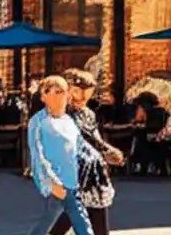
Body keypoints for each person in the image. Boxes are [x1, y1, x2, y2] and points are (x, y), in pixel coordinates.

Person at [48, 69, 121, 235]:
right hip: (74, 169)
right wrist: (107, 150)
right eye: (78, 93)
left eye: (87, 94)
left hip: (93, 169)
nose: (82, 98)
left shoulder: (88, 113)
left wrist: (106, 152)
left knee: (84, 211)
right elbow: (83, 136)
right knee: (80, 211)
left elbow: (95, 137)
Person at [26, 75, 94, 235]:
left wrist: (97, 160)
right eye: (53, 92)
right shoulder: (38, 122)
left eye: (62, 91)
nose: (59, 96)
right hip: (55, 183)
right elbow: (37, 155)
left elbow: (80, 146)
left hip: (72, 182)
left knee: (71, 220)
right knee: (57, 221)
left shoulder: (68, 121)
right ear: (43, 97)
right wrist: (50, 183)